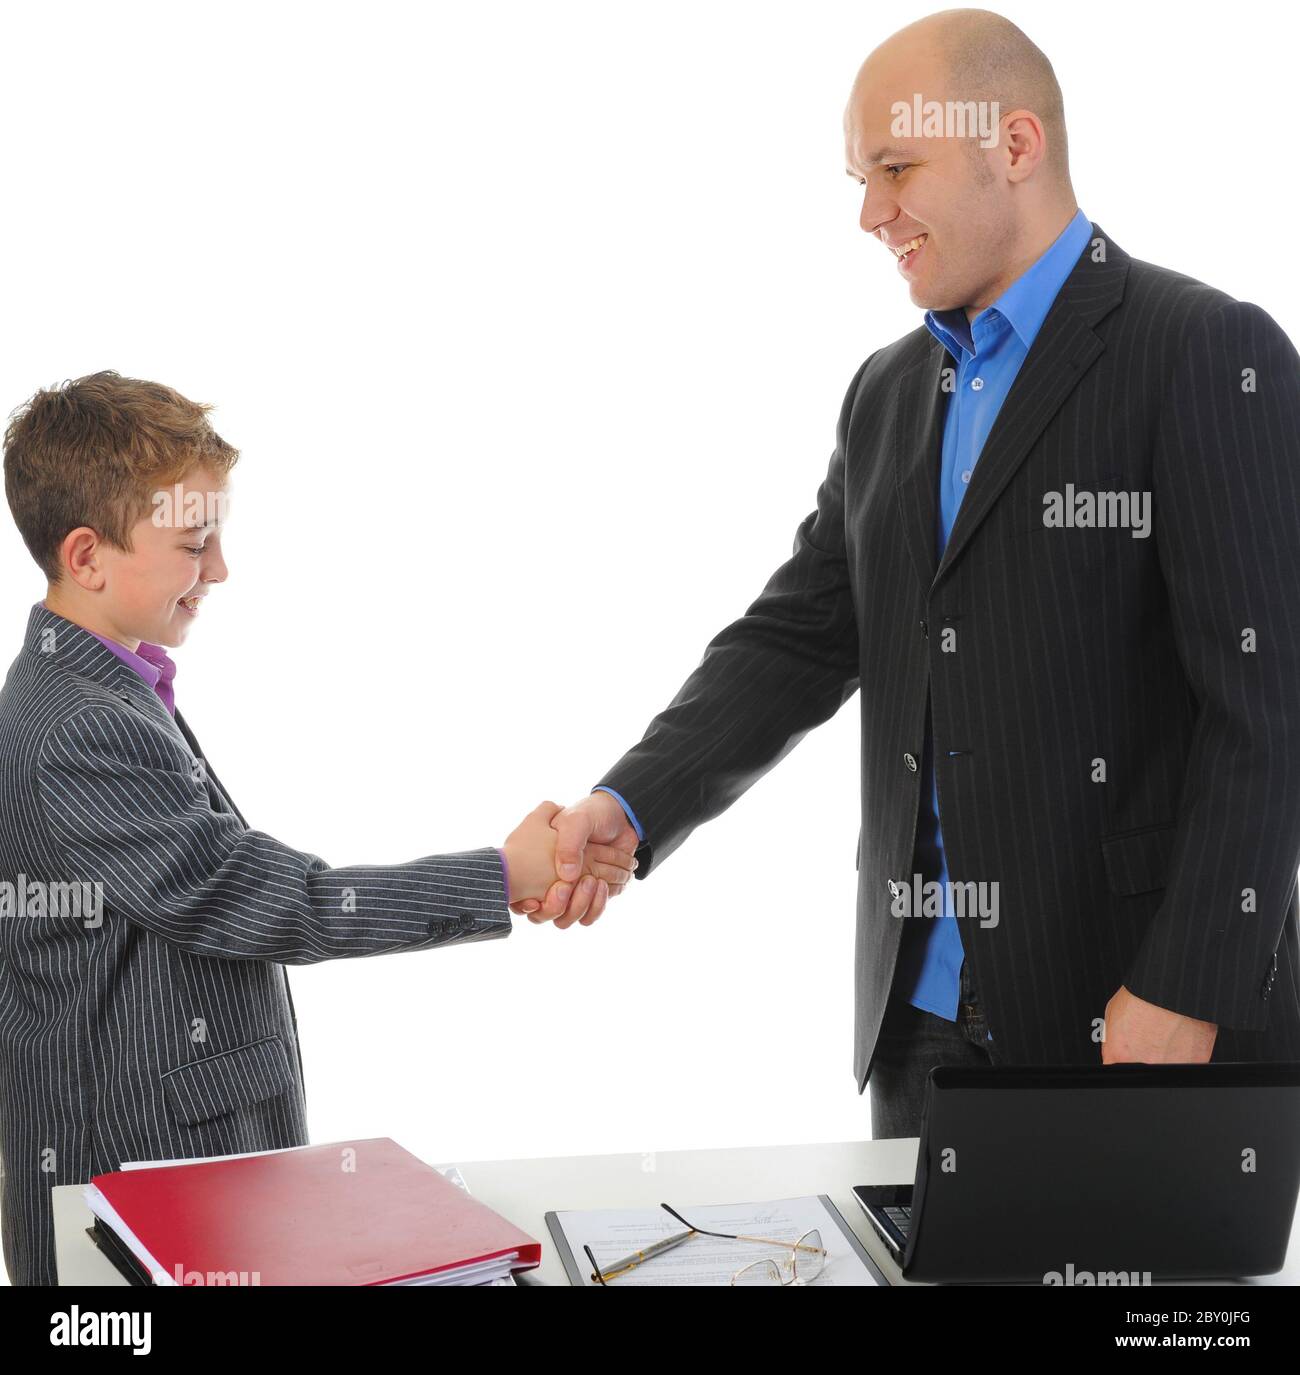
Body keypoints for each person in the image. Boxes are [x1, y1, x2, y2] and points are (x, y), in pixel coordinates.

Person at [514, 8, 1300, 1139]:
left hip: (1135, 1012)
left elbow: (1266, 710)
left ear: (1014, 147)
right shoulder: (886, 392)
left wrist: (1189, 984)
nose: (870, 213)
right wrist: (631, 804)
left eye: (894, 168)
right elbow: (799, 636)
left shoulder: (1204, 351)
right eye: (858, 177)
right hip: (918, 1027)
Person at [0, 370, 636, 1285]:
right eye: (193, 544)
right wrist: (499, 874)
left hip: (169, 1181)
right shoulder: (82, 725)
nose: (218, 570)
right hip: (137, 1196)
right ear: (88, 556)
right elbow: (268, 900)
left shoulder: (92, 685)